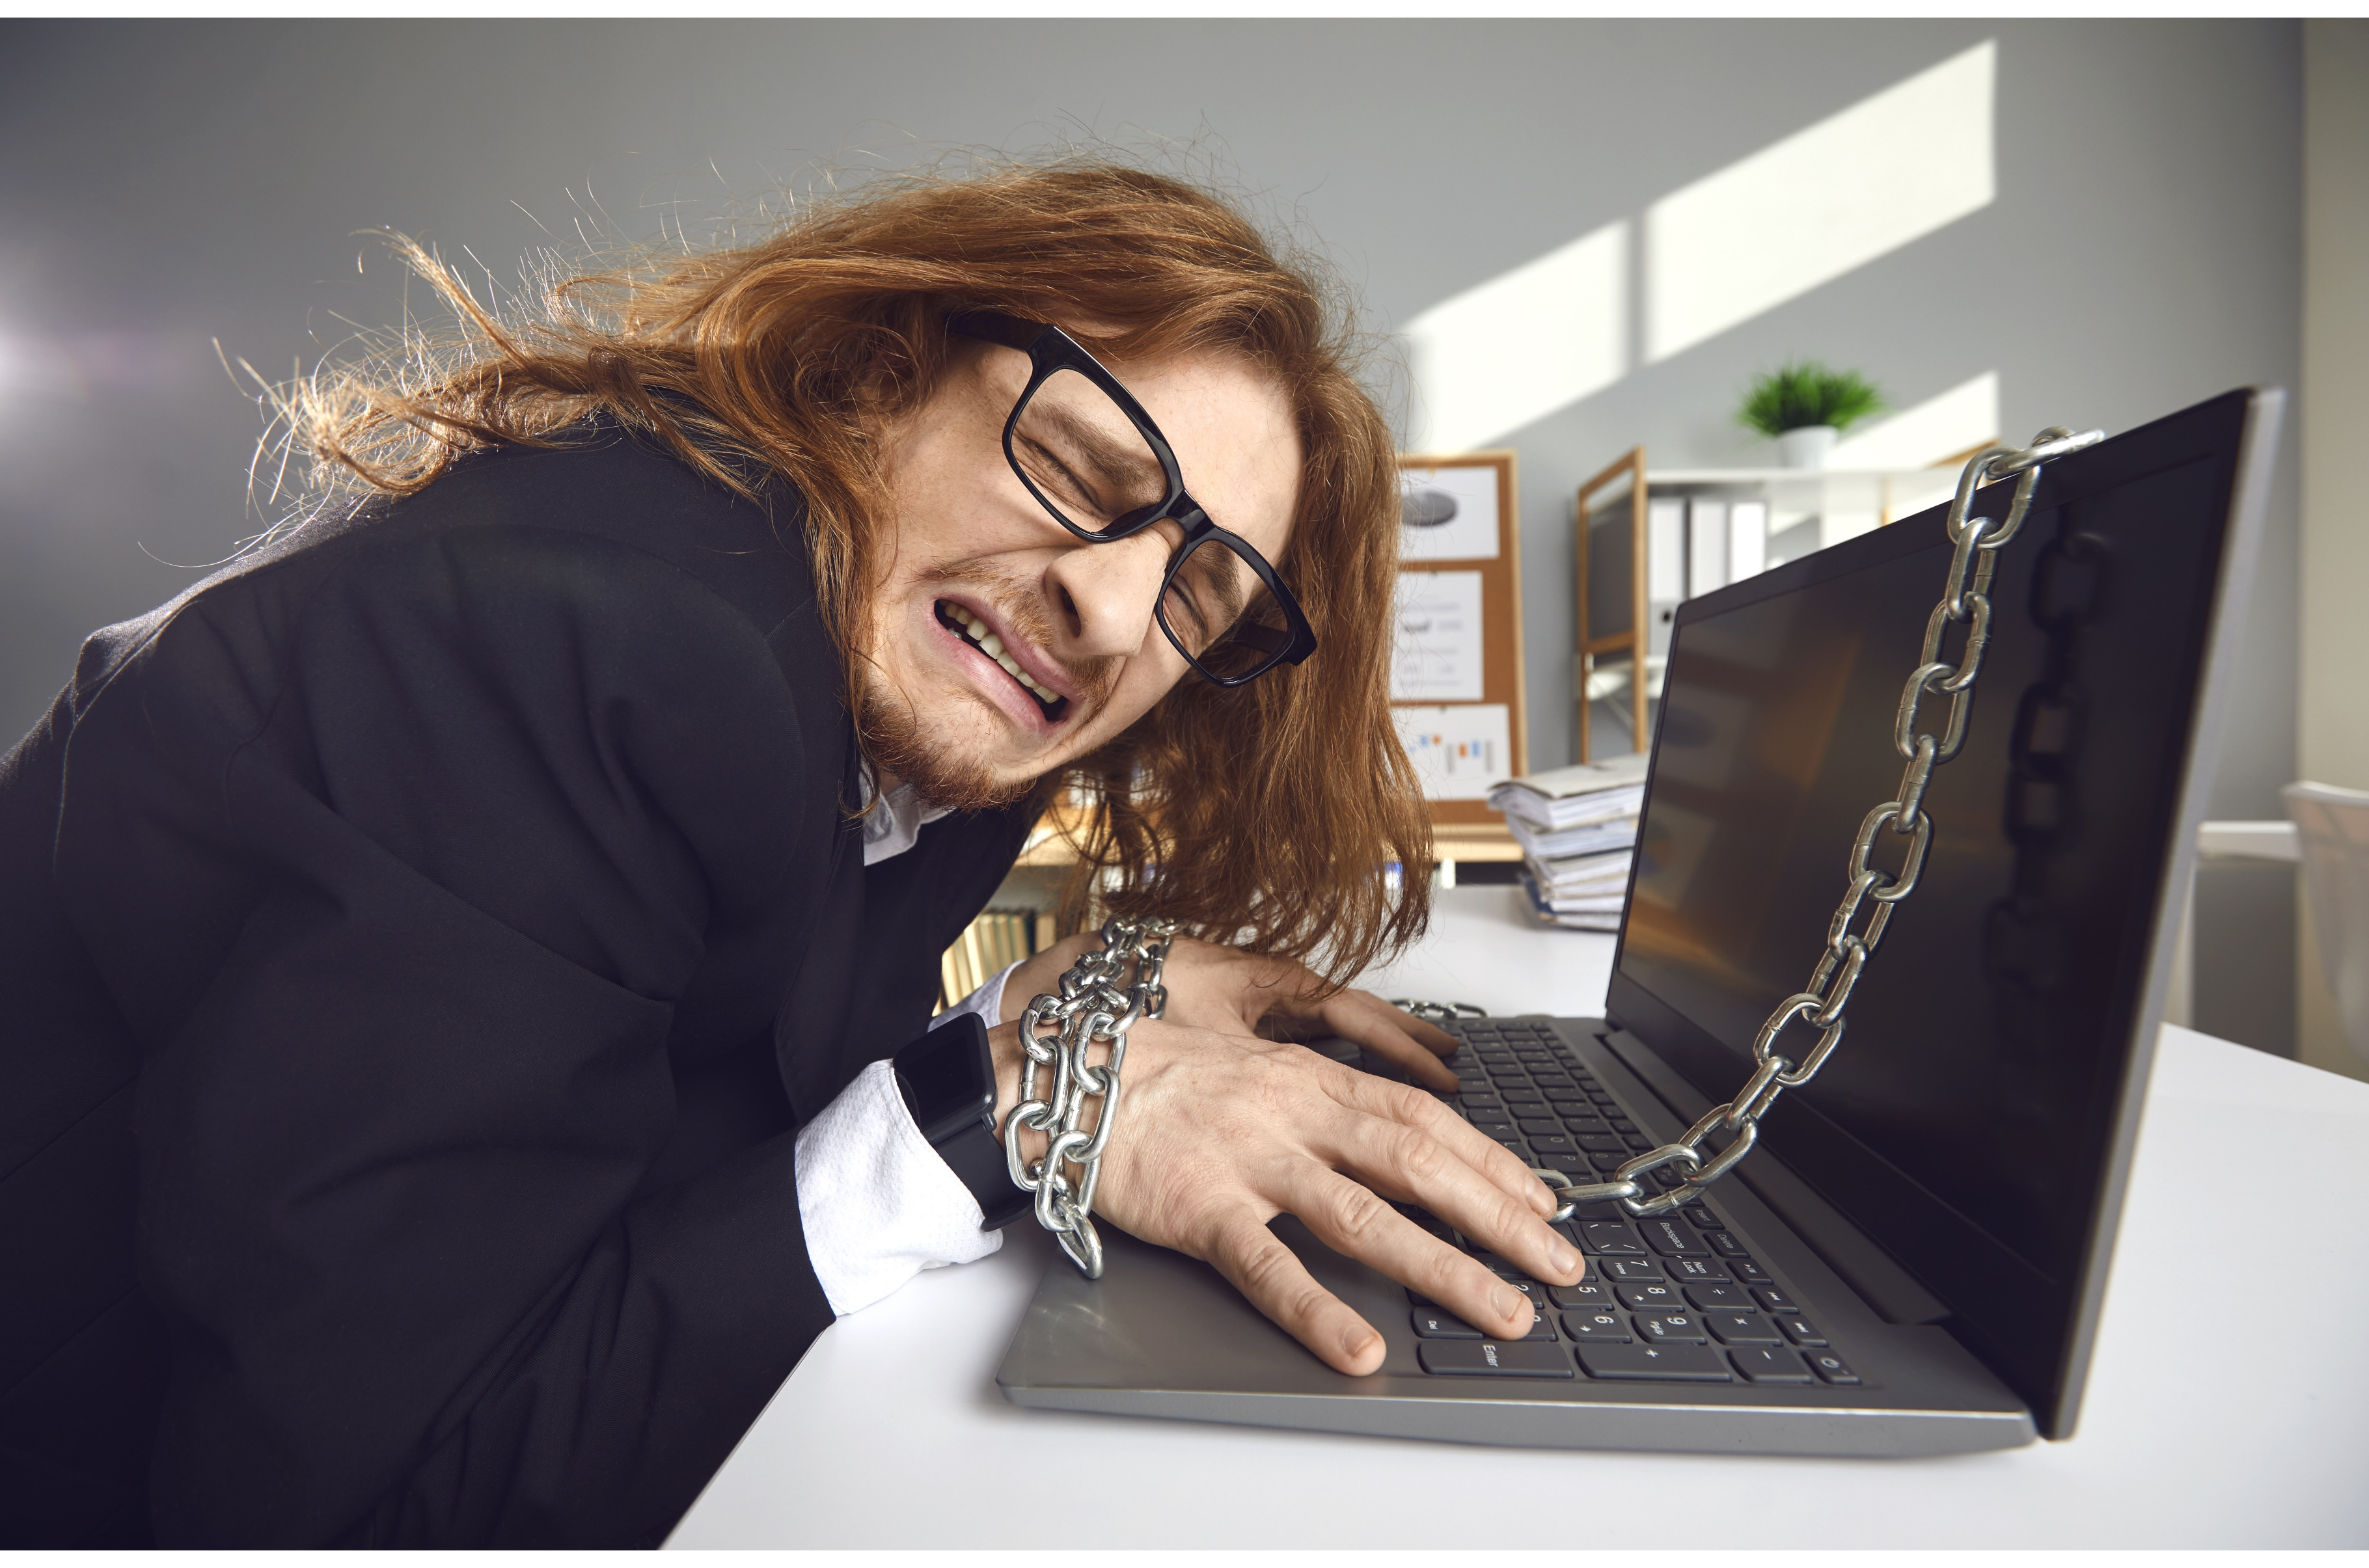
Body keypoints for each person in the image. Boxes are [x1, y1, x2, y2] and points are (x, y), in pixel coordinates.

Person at [0, 159, 1584, 1547]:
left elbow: (704, 1093)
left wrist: (1077, 1012)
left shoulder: (934, 697)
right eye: (1085, 471)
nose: (1110, 614)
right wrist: (1004, 1103)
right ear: (873, 377)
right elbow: (377, 1512)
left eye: (1196, 603)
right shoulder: (589, 641)